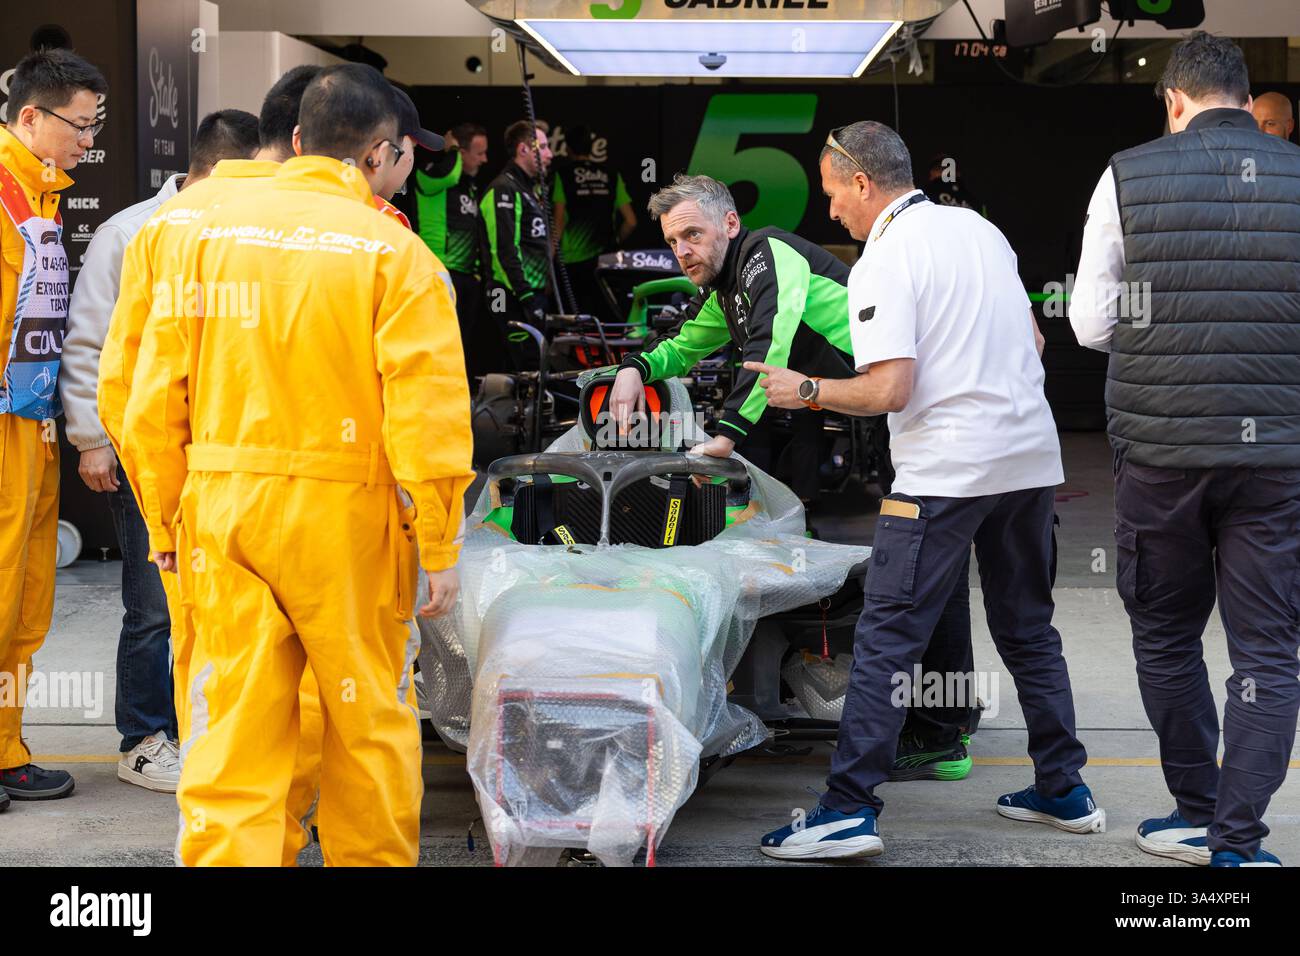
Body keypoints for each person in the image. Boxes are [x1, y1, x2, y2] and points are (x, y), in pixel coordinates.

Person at [119, 62, 472, 867]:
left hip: (220, 507)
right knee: (367, 729)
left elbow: (145, 395)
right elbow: (429, 419)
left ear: (300, 139)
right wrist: (440, 545)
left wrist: (164, 513)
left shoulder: (199, 236)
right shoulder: (398, 254)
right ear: (379, 154)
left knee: (232, 729)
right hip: (347, 522)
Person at [758, 121, 1099, 861]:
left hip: (945, 474)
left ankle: (847, 810)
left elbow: (890, 387)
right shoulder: (981, 231)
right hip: (1028, 461)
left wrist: (807, 389)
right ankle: (1065, 790)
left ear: (861, 182)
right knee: (1029, 631)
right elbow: (1035, 344)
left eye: (832, 196)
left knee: (886, 638)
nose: (831, 214)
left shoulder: (883, 257)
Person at [611, 172, 979, 782]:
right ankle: (945, 722)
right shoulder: (728, 283)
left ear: (730, 223)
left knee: (923, 576)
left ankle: (944, 732)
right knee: (925, 574)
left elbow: (769, 345)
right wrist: (633, 368)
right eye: (675, 241)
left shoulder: (766, 254)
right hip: (898, 410)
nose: (684, 251)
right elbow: (683, 346)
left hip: (923, 407)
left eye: (694, 234)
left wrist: (725, 435)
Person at [1069, 33, 1300, 869]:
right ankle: (1239, 843)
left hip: (1162, 448)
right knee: (1268, 650)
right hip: (1277, 453)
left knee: (1167, 635)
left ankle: (1198, 812)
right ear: (1247, 99)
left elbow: (1093, 323)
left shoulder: (1127, 174)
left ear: (1172, 100)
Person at [101, 64, 326, 864]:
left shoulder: (179, 230)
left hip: (208, 500)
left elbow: (132, 384)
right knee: (287, 692)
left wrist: (165, 509)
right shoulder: (355, 233)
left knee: (228, 695)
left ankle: (243, 840)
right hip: (286, 502)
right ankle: (274, 821)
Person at [62, 109, 259, 793]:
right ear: (223, 167)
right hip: (146, 452)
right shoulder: (129, 231)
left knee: (215, 600)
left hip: (224, 455)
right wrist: (91, 440)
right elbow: (88, 344)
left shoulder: (239, 231)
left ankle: (198, 728)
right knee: (153, 602)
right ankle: (142, 738)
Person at [0, 47, 107, 809]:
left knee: (26, 594)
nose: (87, 141)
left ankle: (6, 746)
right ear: (30, 115)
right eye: (79, 125)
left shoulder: (43, 195)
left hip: (28, 424)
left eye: (94, 127)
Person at [416, 122, 489, 376]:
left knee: (463, 343)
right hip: (441, 272)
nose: (484, 159)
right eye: (479, 153)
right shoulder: (431, 174)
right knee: (442, 343)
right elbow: (448, 174)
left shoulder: (470, 185)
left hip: (468, 276)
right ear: (462, 152)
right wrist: (453, 150)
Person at [481, 119, 553, 365]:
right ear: (524, 149)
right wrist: (526, 297)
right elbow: (503, 249)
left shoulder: (527, 189)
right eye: (542, 147)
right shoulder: (503, 189)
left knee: (537, 364)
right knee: (524, 364)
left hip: (530, 295)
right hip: (510, 296)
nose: (550, 154)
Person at [551, 125, 635, 319]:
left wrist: (550, 261)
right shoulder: (612, 176)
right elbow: (631, 221)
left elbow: (559, 222)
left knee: (577, 321)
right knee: (606, 320)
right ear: (591, 147)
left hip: (572, 263)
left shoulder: (562, 175)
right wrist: (613, 243)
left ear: (568, 149)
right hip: (606, 262)